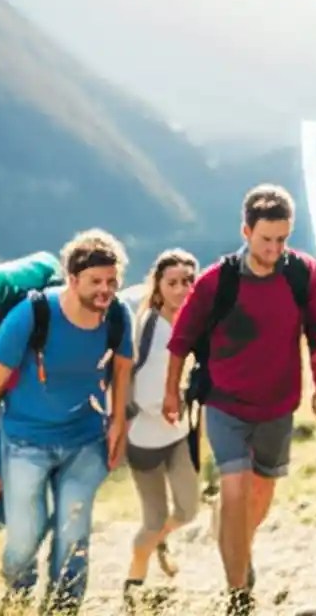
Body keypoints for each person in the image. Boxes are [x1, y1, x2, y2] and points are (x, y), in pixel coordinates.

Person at [162, 184, 316, 616]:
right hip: (225, 401)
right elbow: (180, 341)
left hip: (277, 404)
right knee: (235, 491)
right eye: (265, 239)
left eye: (282, 239)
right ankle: (238, 592)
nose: (274, 249)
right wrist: (170, 393)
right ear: (246, 231)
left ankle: (237, 546)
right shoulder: (217, 282)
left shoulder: (302, 273)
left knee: (259, 498)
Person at [0, 229, 135, 614]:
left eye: (112, 281)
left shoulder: (117, 315)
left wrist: (117, 422)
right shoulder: (34, 314)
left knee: (73, 537)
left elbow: (123, 367)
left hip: (84, 440)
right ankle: (18, 597)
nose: (105, 290)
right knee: (24, 541)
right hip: (26, 441)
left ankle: (62, 609)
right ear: (72, 279)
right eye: (95, 282)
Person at [122, 249, 202, 609]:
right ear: (158, 286)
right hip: (144, 438)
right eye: (173, 283)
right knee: (152, 521)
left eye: (188, 281)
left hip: (179, 433)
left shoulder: (195, 323)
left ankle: (159, 541)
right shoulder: (147, 328)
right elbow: (135, 383)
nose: (182, 289)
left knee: (188, 510)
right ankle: (133, 582)